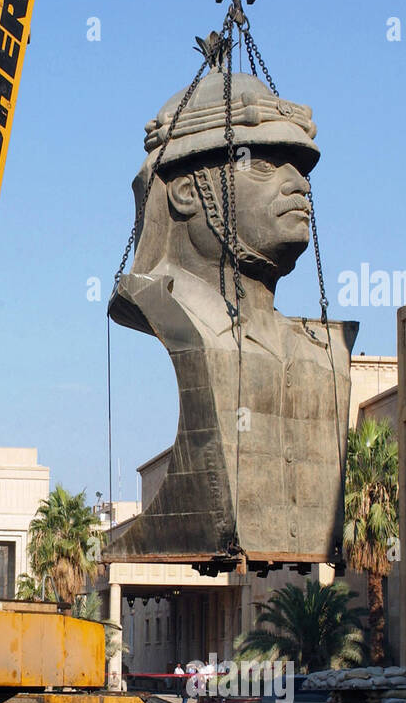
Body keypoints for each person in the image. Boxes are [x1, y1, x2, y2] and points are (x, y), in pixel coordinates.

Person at [107, 70, 358, 564]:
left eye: (300, 169)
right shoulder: (179, 314)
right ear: (185, 192)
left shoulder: (318, 348)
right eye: (262, 165)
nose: (297, 185)